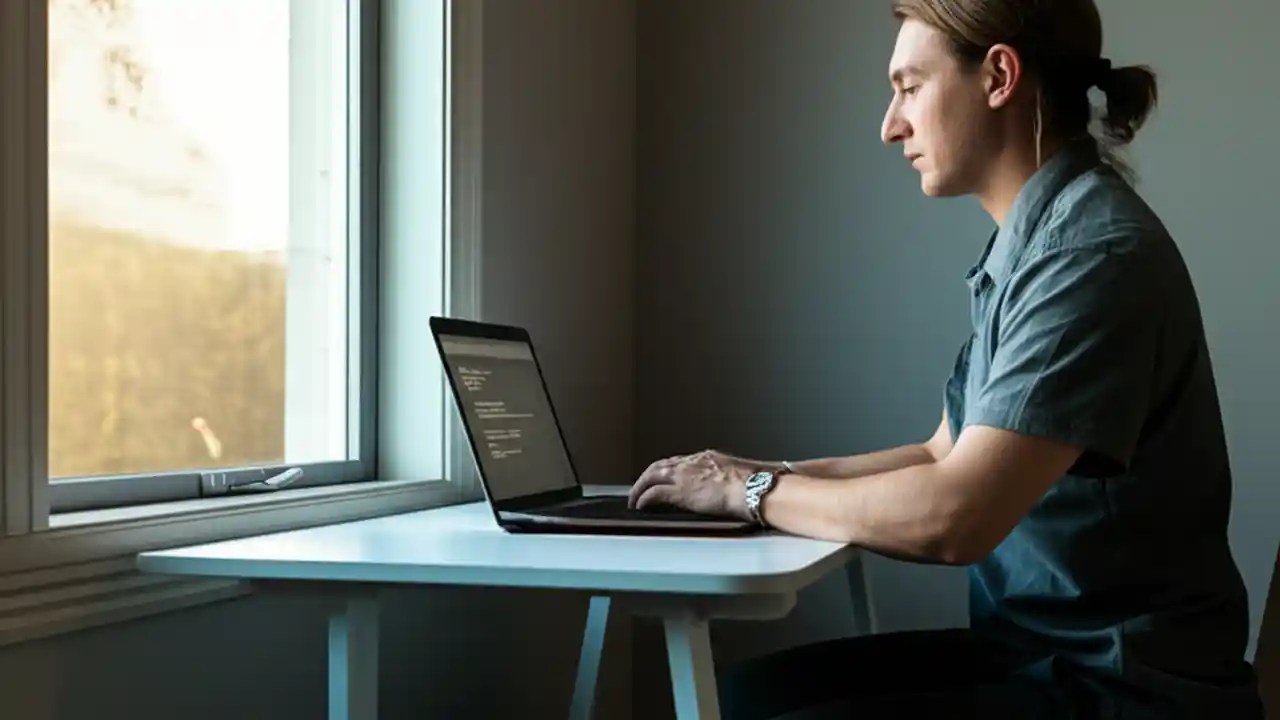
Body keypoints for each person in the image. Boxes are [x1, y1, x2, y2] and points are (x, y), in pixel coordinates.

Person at [626, 1, 1265, 717]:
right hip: (1035, 653)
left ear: (999, 75)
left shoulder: (1089, 256)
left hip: (1120, 687)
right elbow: (944, 453)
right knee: (734, 700)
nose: (889, 123)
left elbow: (955, 517)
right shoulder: (1035, 244)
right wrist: (756, 477)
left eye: (910, 85)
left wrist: (750, 495)